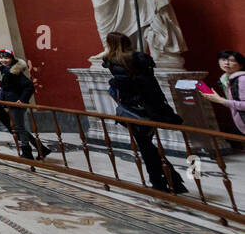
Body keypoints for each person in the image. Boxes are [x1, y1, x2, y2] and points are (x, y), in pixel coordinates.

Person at [101, 33, 187, 193]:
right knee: (147, 146)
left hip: (134, 109)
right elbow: (149, 85)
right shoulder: (140, 60)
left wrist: (114, 84)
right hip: (150, 106)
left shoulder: (114, 62)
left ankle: (163, 181)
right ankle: (170, 180)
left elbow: (126, 85)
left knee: (147, 147)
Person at [0, 49, 50, 161]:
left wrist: (22, 100)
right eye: (1, 58)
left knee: (19, 128)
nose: (3, 60)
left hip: (17, 103)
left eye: (6, 58)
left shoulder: (15, 71)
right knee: (18, 127)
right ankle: (42, 149)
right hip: (11, 102)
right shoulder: (6, 70)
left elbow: (29, 86)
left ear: (12, 58)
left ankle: (27, 152)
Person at [203, 50, 245, 132]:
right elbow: (233, 103)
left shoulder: (242, 79)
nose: (226, 63)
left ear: (240, 65)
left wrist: (221, 100)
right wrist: (218, 99)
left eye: (232, 60)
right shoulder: (225, 80)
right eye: (223, 59)